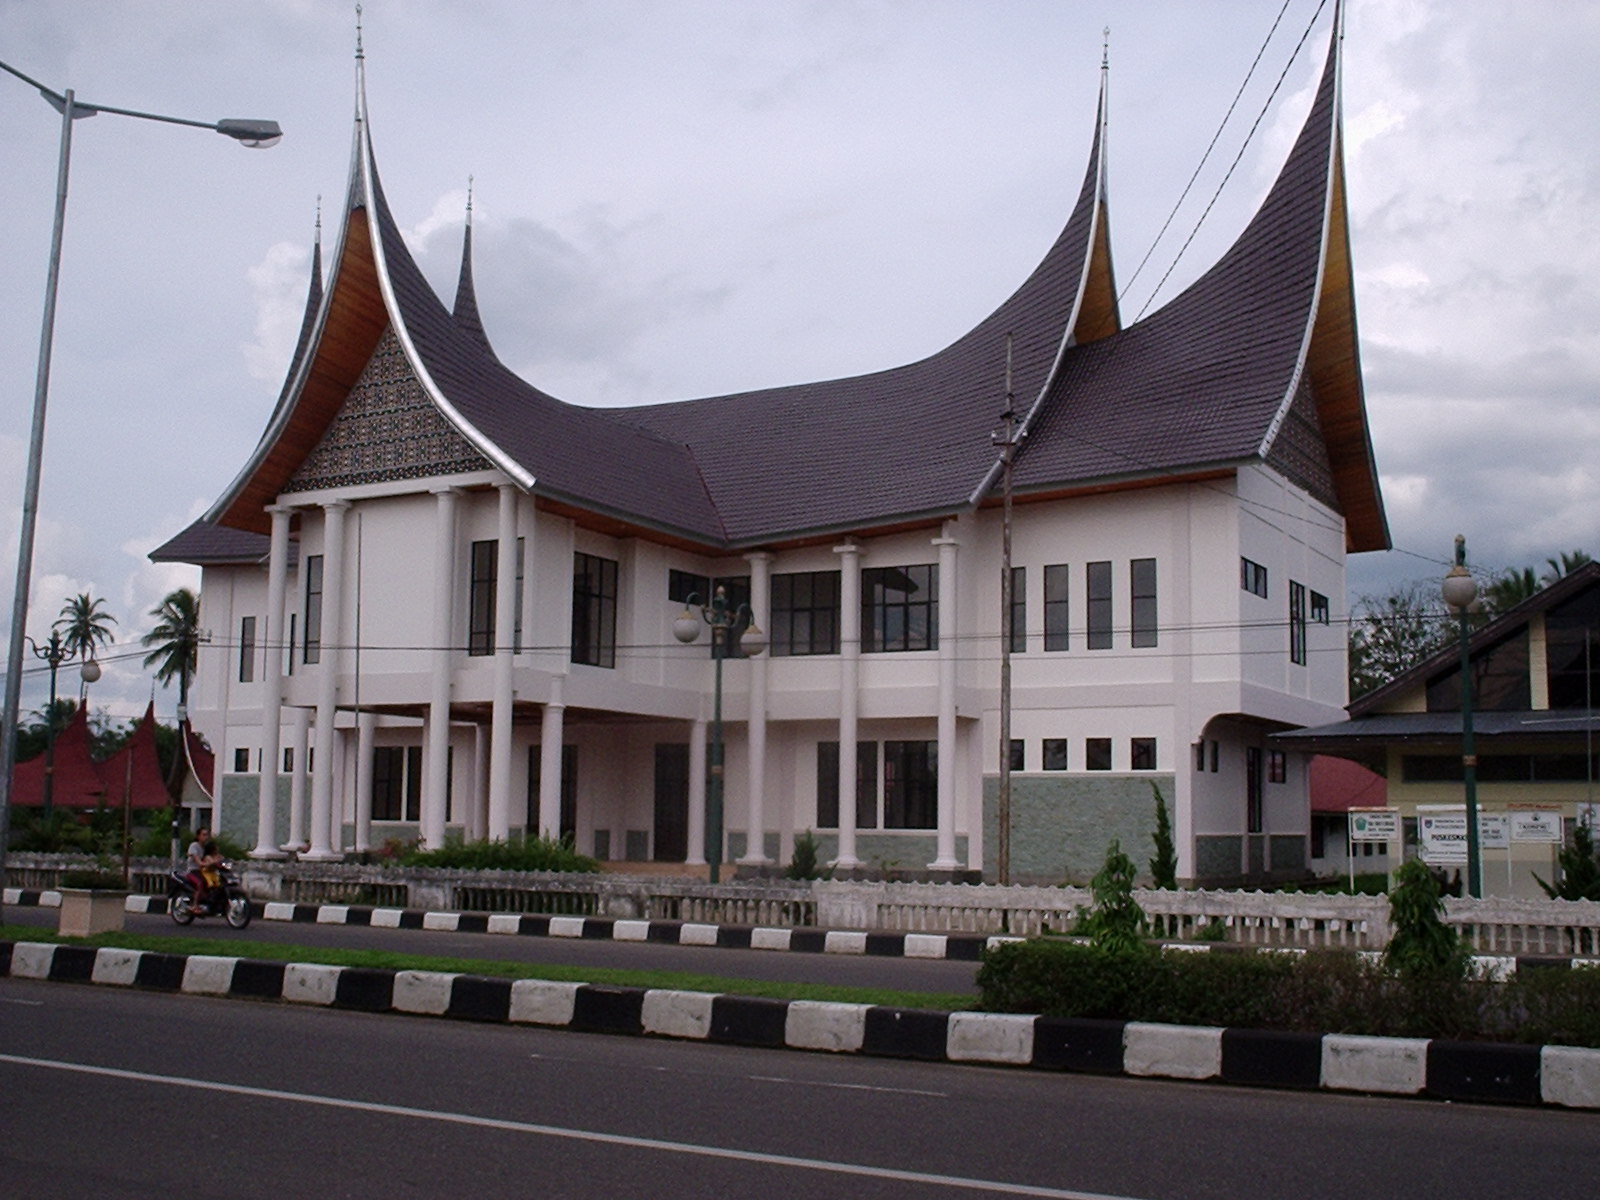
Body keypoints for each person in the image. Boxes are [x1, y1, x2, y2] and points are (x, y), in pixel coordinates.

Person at [185, 826, 221, 910]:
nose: (206, 837)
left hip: (205, 871)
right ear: (198, 836)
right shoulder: (194, 846)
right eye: (204, 835)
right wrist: (207, 863)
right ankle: (195, 905)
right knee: (200, 883)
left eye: (207, 835)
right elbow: (199, 862)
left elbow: (214, 855)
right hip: (193, 871)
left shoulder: (206, 847)